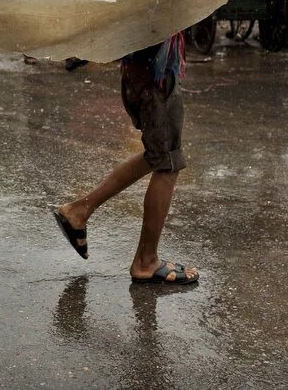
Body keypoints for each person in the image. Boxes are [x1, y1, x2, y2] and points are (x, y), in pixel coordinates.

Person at [54, 34, 199, 285]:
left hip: (142, 75)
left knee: (157, 155)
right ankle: (146, 261)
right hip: (154, 80)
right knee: (168, 162)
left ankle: (78, 211)